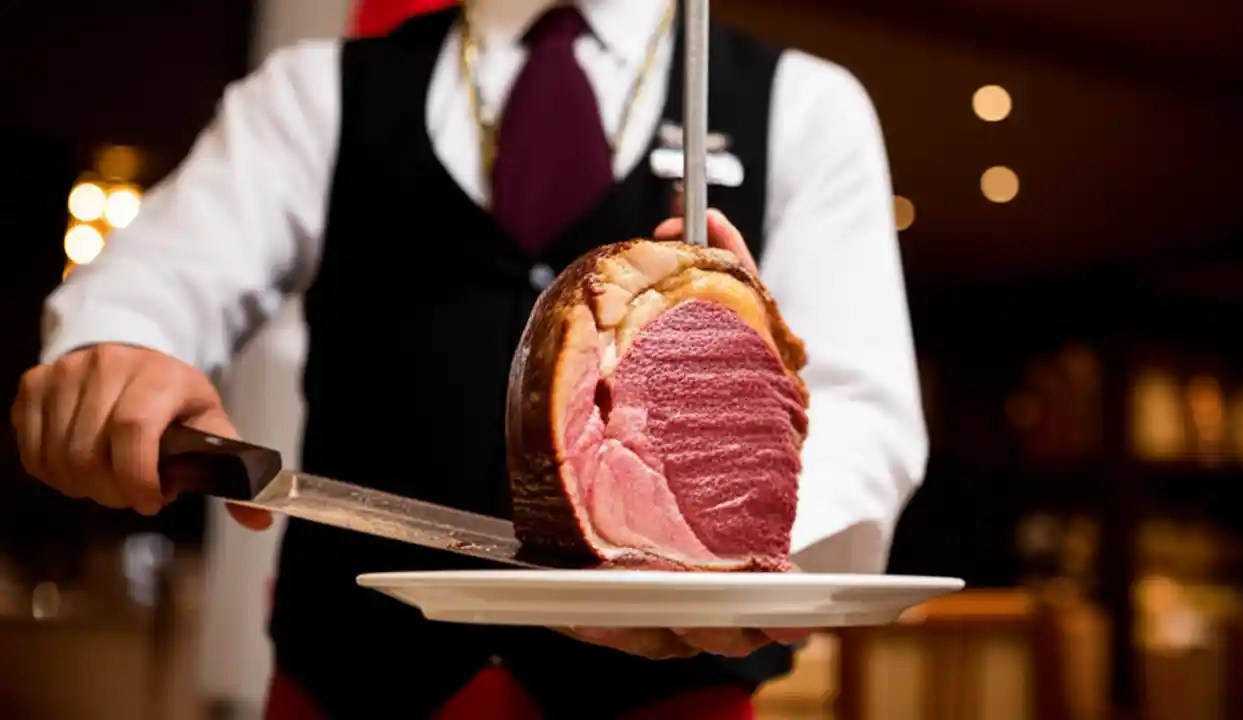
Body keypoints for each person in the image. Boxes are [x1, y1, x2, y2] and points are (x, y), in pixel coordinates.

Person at [10, 0, 928, 717]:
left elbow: (863, 410)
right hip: (348, 695)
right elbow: (150, 288)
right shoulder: (315, 92)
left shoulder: (804, 105)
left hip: (666, 709)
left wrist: (724, 542)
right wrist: (117, 355)